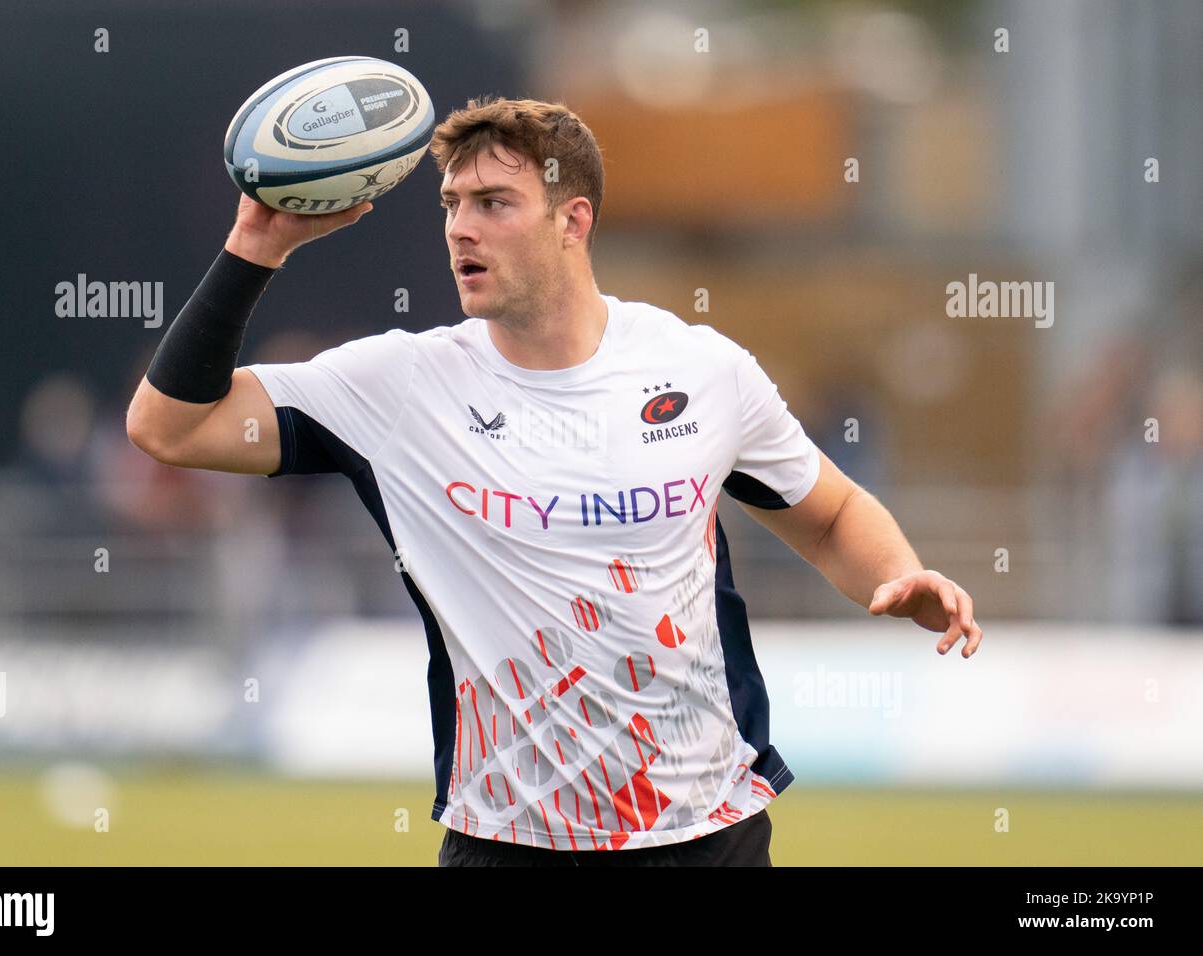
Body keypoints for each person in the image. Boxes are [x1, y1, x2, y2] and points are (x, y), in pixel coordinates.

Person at [126, 96, 983, 866]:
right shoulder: (395, 388)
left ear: (573, 221)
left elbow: (830, 514)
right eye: (452, 206)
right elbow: (167, 427)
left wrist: (899, 575)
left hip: (707, 836)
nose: (462, 228)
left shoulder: (703, 369)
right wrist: (256, 246)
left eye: (495, 204)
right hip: (506, 843)